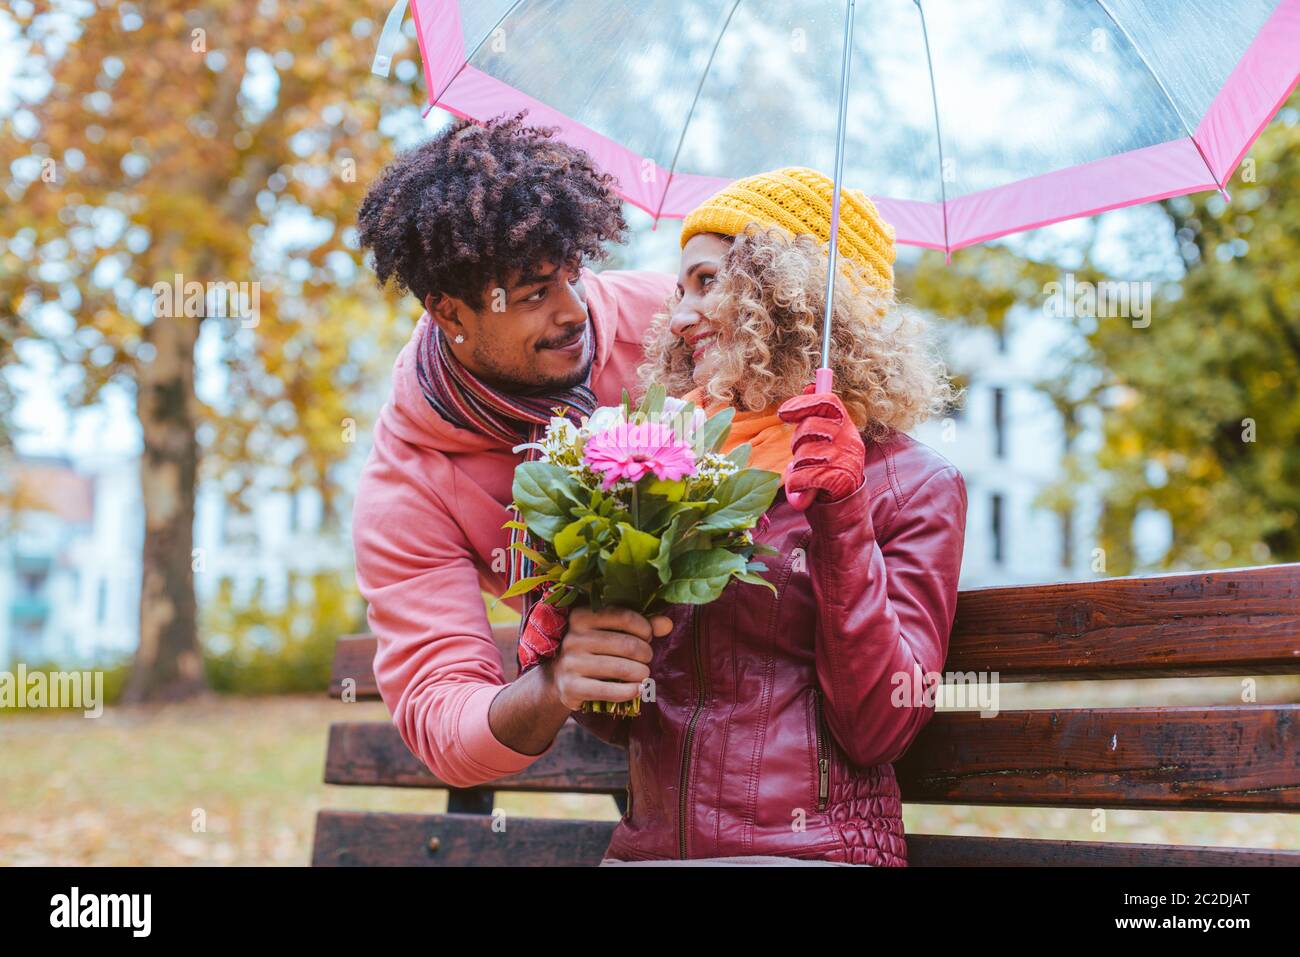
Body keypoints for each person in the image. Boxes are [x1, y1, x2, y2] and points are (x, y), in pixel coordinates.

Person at [536, 167, 969, 865]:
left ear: (792, 294)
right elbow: (626, 721)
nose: (677, 317)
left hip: (807, 854)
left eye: (707, 281)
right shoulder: (676, 462)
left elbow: (878, 728)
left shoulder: (911, 482)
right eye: (680, 289)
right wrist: (581, 593)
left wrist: (843, 517)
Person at [351, 110, 677, 789]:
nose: (572, 311)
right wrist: (556, 684)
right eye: (534, 294)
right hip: (641, 743)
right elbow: (443, 715)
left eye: (572, 274)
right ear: (450, 314)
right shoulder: (409, 486)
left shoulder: (668, 325)